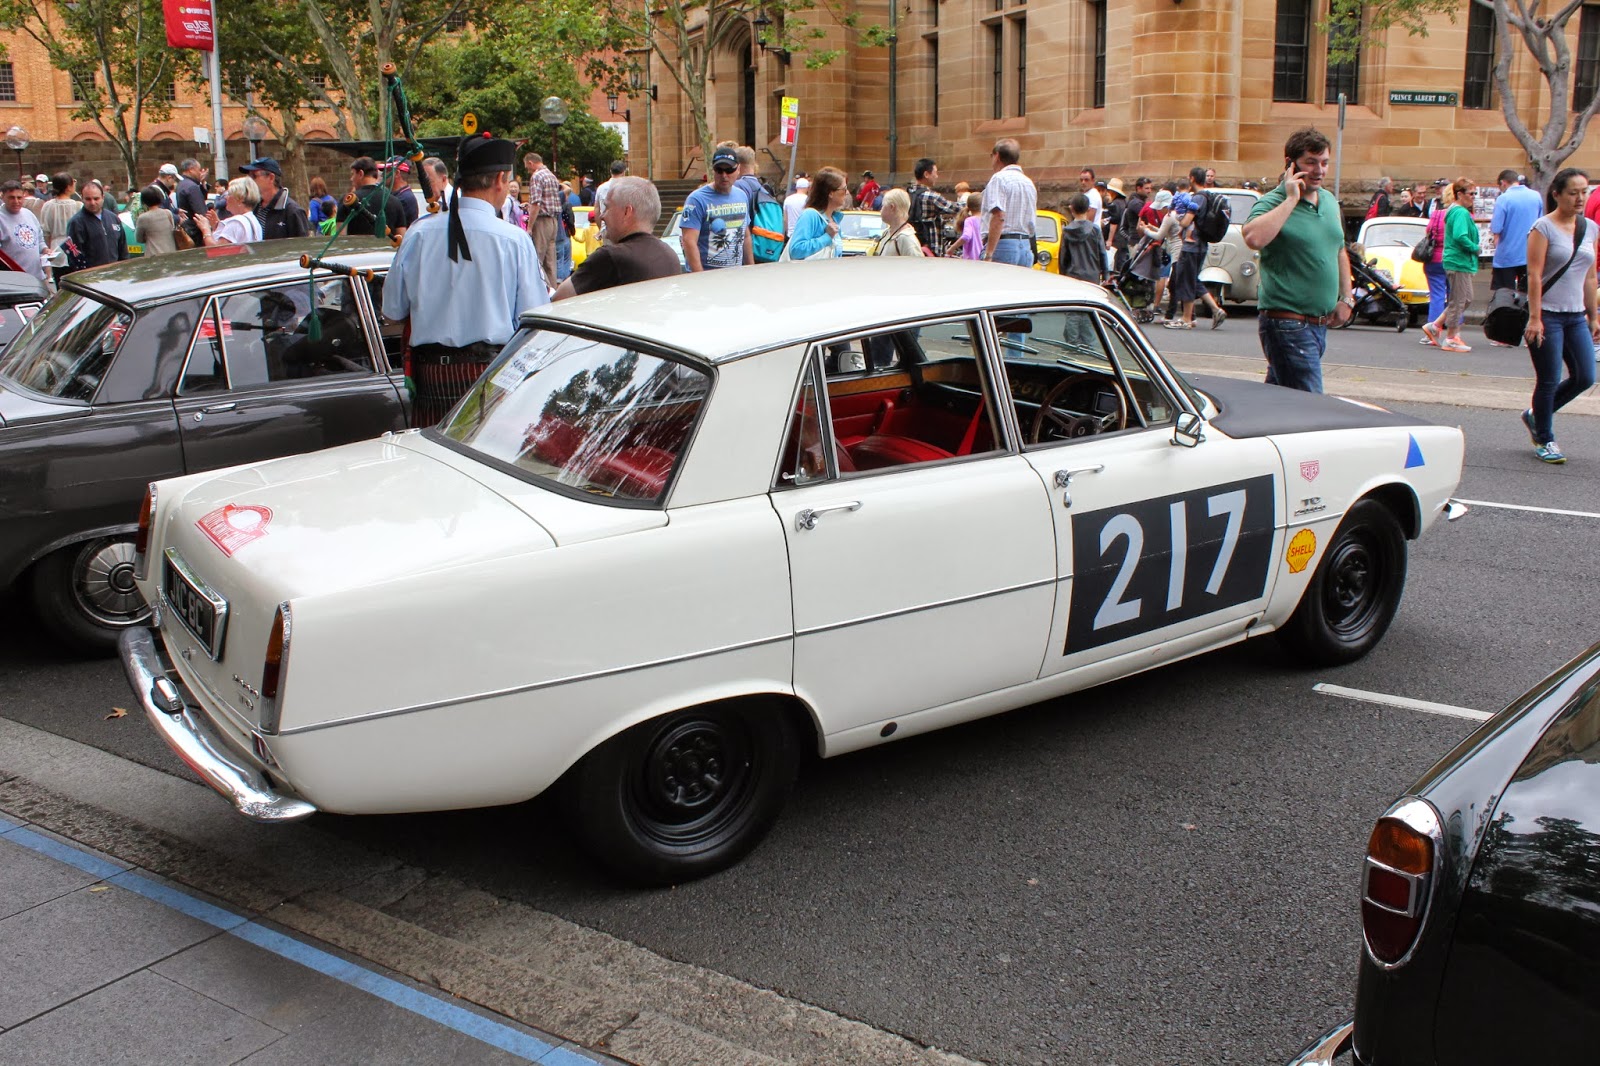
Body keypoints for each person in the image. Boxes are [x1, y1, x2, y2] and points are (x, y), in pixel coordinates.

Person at [384, 133, 547, 426]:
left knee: (434, 465)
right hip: (489, 375)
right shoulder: (514, 240)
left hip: (432, 376)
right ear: (500, 179)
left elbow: (393, 310)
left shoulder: (419, 233)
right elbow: (534, 318)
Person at [1241, 127, 1354, 392]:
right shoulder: (1274, 201)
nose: (1319, 170)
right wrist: (1292, 198)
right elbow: (1253, 238)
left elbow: (1338, 249)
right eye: (1311, 162)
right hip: (1287, 323)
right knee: (1310, 403)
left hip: (1318, 323)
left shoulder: (1328, 201)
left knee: (1281, 400)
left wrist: (1346, 298)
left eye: (1324, 162)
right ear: (1291, 164)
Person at [1520, 167, 1597, 464]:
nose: (1580, 198)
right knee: (1549, 379)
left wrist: (1593, 316)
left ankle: (1536, 415)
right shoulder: (1543, 227)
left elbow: (1590, 277)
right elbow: (1534, 275)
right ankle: (1545, 438)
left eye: (1584, 192)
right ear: (1557, 195)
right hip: (1548, 315)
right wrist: (1535, 318)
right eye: (1573, 193)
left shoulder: (1590, 228)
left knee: (1585, 377)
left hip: (1576, 315)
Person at [553, 177, 680, 299]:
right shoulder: (669, 255)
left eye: (607, 207)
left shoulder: (611, 257)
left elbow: (559, 299)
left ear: (627, 212)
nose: (602, 216)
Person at [1420, 177, 1481, 353]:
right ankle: (1451, 337)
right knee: (1459, 300)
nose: (1473, 197)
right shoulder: (1460, 213)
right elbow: (1461, 236)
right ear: (1459, 194)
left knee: (1464, 298)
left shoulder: (1455, 211)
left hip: (1457, 261)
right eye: (1471, 193)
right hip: (1459, 261)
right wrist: (1475, 248)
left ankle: (1436, 325)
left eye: (1474, 193)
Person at [1166, 168, 1227, 330]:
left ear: (1192, 179)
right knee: (1193, 279)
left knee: (1186, 280)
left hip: (1192, 246)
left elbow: (1187, 221)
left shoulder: (1198, 198)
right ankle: (1216, 309)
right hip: (1200, 245)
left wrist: (1180, 220)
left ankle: (1186, 318)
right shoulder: (1207, 196)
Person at [680, 146, 754, 271]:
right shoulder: (697, 199)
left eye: (729, 170)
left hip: (735, 275)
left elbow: (745, 236)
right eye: (719, 170)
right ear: (712, 170)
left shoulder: (742, 195)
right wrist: (700, 276)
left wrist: (751, 269)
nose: (724, 175)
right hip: (708, 276)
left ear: (738, 169)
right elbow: (689, 241)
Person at [1488, 169, 1542, 317]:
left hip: (1507, 255)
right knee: (1527, 293)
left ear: (1503, 183)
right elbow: (1540, 222)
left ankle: (1504, 332)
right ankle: (1526, 323)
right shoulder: (1535, 196)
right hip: (1529, 253)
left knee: (1505, 295)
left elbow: (1497, 228)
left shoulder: (1504, 199)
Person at [979, 138, 1037, 267]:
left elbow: (998, 216)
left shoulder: (999, 179)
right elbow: (1032, 222)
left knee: (997, 285)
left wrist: (989, 254)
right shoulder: (1028, 182)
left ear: (997, 156)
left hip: (1003, 244)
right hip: (1025, 245)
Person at [63, 180, 129, 272]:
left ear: (103, 197)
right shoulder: (76, 223)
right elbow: (75, 258)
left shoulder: (113, 218)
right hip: (92, 278)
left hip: (116, 274)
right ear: (82, 198)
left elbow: (123, 249)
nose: (92, 203)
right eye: (88, 199)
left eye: (96, 198)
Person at [337, 157, 407, 240]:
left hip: (357, 251)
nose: (351, 179)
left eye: (353, 174)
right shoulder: (395, 201)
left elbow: (340, 238)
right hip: (386, 251)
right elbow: (402, 237)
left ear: (360, 173)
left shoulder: (348, 200)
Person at [240, 157, 309, 241]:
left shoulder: (292, 211)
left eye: (254, 176)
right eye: (249, 176)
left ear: (271, 178)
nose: (250, 181)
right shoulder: (254, 206)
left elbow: (301, 246)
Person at [787, 167, 848, 260]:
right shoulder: (810, 215)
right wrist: (827, 237)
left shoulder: (835, 219)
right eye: (844, 189)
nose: (847, 192)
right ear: (830, 193)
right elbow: (796, 250)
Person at [524, 152, 563, 289]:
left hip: (541, 221)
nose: (527, 170)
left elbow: (536, 203)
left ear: (530, 163)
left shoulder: (537, 176)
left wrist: (529, 226)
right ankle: (553, 290)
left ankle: (541, 291)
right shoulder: (551, 175)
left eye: (527, 167)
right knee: (550, 262)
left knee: (537, 260)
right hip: (553, 221)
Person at [908, 157, 959, 253]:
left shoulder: (908, 194)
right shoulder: (931, 196)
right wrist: (971, 200)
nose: (937, 176)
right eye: (935, 172)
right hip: (932, 249)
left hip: (913, 246)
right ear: (926, 174)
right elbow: (954, 208)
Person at [193, 177, 263, 246]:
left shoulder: (236, 222)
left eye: (229, 194)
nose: (226, 197)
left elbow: (216, 251)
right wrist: (217, 226)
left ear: (240, 198)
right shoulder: (254, 220)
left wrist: (205, 229)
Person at [0, 181, 47, 282]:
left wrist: (45, 250)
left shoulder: (29, 214)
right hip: (14, 282)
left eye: (19, 197)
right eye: (11, 197)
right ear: (2, 197)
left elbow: (40, 239)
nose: (16, 201)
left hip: (37, 278)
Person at [38, 174, 78, 284]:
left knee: (61, 284)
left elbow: (45, 231)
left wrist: (47, 248)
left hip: (56, 249)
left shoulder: (48, 206)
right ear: (68, 187)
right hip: (74, 249)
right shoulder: (78, 206)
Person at [1060, 193, 1105, 284]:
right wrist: (1105, 274)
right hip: (1092, 275)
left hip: (1072, 275)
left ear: (1071, 208)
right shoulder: (1095, 230)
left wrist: (1063, 274)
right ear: (1088, 209)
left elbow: (1063, 257)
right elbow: (1102, 253)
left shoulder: (1067, 231)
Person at [871, 188, 922, 257]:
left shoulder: (906, 238)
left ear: (892, 207)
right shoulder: (886, 233)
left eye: (883, 206)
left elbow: (918, 266)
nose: (880, 210)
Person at [134, 186, 177, 255]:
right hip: (170, 252)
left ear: (144, 201)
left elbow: (139, 239)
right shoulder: (168, 213)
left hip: (153, 254)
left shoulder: (143, 218)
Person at [381, 157, 420, 230]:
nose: (382, 175)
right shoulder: (398, 195)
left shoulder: (404, 199)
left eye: (386, 171)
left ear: (396, 173)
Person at [592, 159, 627, 228]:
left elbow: (596, 209)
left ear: (610, 171)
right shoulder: (627, 188)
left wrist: (600, 227)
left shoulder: (601, 188)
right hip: (623, 228)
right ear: (623, 172)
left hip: (606, 227)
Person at [957, 192, 985, 259]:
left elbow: (966, 237)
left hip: (972, 260)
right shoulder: (986, 220)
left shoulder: (969, 220)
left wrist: (952, 248)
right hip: (984, 257)